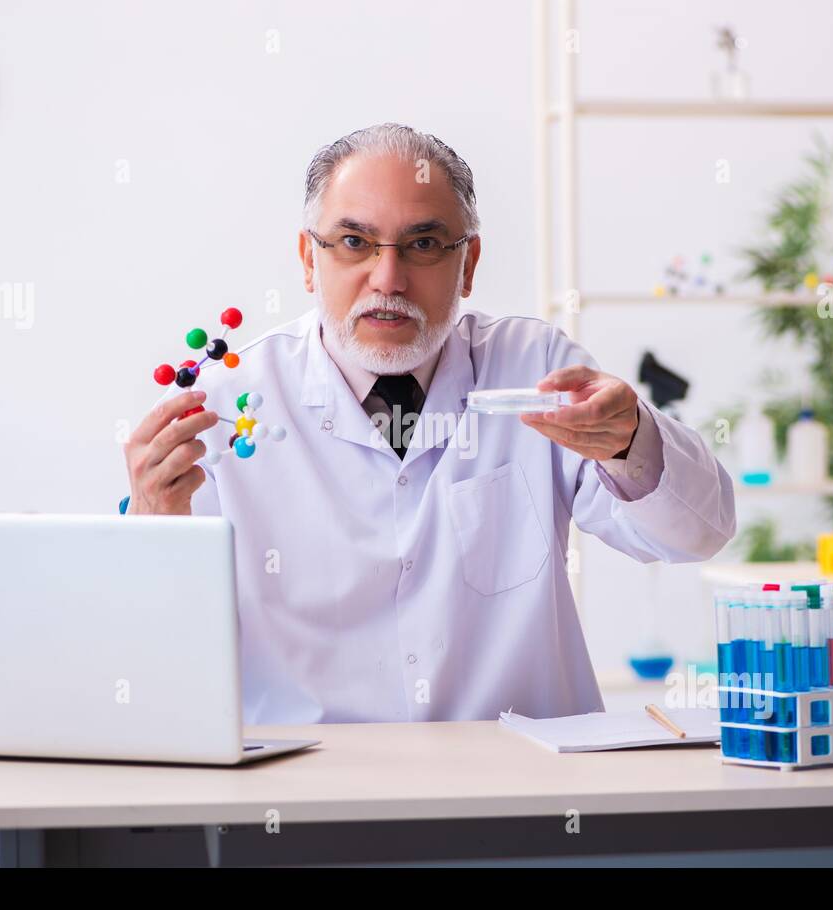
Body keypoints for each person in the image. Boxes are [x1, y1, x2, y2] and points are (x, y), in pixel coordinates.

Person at [124, 123, 735, 723]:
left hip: (522, 791)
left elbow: (695, 535)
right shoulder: (226, 408)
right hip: (306, 795)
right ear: (310, 260)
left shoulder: (536, 369)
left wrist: (629, 440)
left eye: (422, 245)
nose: (387, 280)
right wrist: (155, 531)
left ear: (467, 263)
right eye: (355, 243)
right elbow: (165, 661)